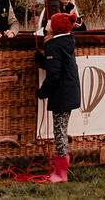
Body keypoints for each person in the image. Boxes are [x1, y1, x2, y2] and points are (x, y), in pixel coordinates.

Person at [37, 11, 80, 183]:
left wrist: (43, 92)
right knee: (61, 130)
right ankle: (60, 170)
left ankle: (61, 173)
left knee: (59, 132)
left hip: (62, 94)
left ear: (55, 28)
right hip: (70, 91)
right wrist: (42, 60)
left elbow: (54, 75)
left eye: (50, 22)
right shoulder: (65, 42)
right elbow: (57, 64)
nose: (47, 22)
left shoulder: (53, 45)